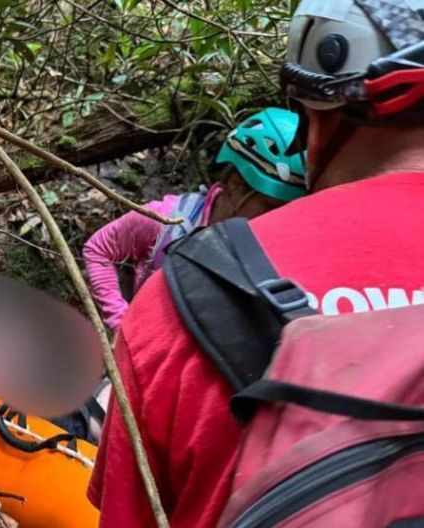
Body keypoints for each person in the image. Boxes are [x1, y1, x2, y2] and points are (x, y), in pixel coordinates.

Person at [89, 2, 424, 526]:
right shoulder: (164, 220)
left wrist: (131, 323)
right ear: (234, 181)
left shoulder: (180, 301)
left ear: (313, 117)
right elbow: (100, 250)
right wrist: (117, 313)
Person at [83, 108, 307, 329]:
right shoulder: (168, 220)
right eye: (273, 206)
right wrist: (120, 320)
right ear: (236, 186)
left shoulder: (281, 247)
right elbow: (99, 248)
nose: (282, 217)